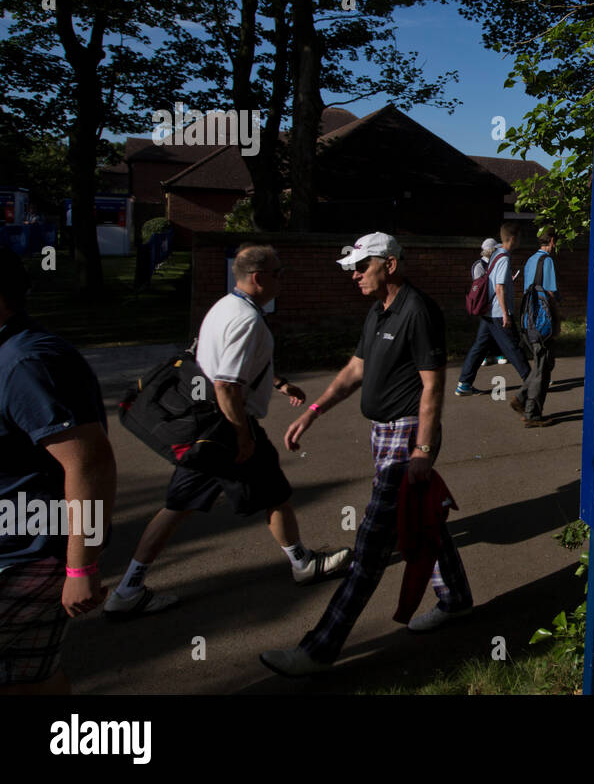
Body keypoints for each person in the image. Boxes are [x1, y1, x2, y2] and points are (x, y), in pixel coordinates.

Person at [260, 233, 473, 676]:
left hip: (406, 435)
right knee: (420, 517)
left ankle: (319, 650)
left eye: (362, 267)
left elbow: (432, 386)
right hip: (382, 434)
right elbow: (356, 369)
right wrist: (314, 411)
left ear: (390, 265)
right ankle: (455, 599)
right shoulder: (378, 311)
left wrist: (423, 449)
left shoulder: (418, 311)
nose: (354, 276)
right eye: (353, 269)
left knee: (371, 545)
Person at [104, 245, 350, 619]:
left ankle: (128, 588)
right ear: (258, 277)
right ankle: (302, 564)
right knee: (273, 495)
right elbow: (225, 384)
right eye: (278, 272)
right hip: (227, 427)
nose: (283, 278)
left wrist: (279, 383)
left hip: (211, 427)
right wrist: (243, 435)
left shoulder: (225, 307)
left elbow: (226, 364)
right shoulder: (247, 319)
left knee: (184, 505)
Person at [0, 248, 116, 693]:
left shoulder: (25, 363)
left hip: (20, 561)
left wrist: (81, 568)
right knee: (32, 677)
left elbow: (89, 461)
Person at [454, 222, 531, 399]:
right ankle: (531, 379)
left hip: (488, 311)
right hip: (498, 311)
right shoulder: (504, 257)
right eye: (519, 238)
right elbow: (499, 287)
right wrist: (506, 313)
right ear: (513, 239)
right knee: (513, 346)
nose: (520, 241)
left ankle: (464, 383)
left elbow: (496, 281)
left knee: (479, 347)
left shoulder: (495, 254)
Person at [517, 226, 559, 427]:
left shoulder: (530, 260)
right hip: (543, 321)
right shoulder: (547, 261)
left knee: (544, 362)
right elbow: (550, 292)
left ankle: (522, 398)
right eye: (555, 241)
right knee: (543, 366)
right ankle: (531, 413)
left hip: (529, 319)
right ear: (551, 241)